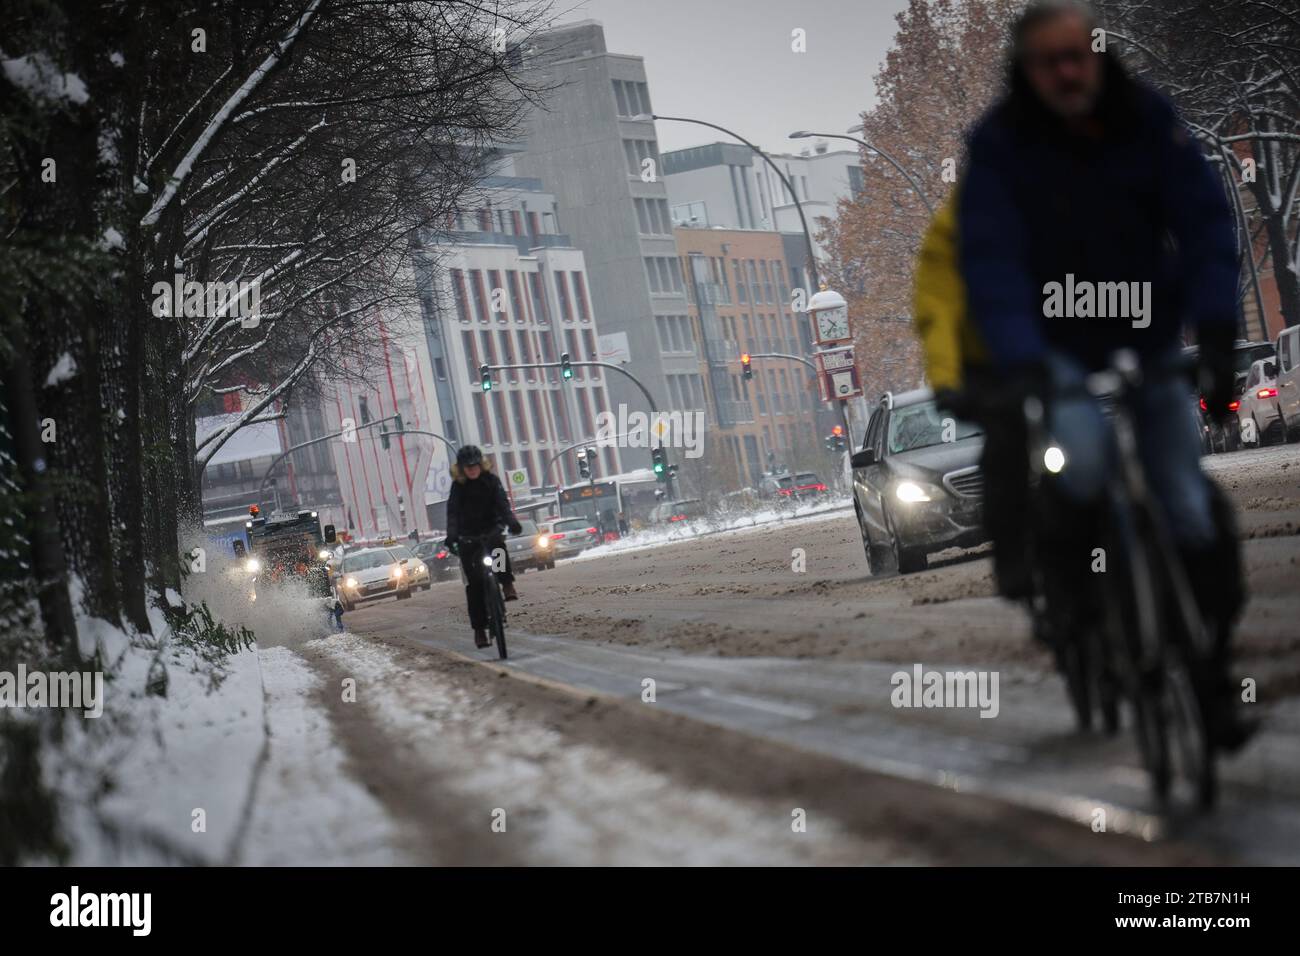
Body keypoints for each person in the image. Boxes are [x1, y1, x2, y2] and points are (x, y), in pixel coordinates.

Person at [957, 0, 1251, 748]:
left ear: (1095, 56)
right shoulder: (999, 148)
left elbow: (1206, 224)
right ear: (1027, 72)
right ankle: (1085, 607)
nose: (1066, 72)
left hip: (1149, 341)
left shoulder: (1147, 120)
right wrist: (1019, 362)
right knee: (1079, 466)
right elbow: (991, 265)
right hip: (1056, 350)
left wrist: (1216, 328)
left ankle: (1211, 669)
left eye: (1076, 55)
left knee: (1186, 496)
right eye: (1048, 61)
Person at [443, 445, 523, 649]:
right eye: (467, 467)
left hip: (490, 530)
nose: (472, 469)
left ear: (481, 465)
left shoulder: (491, 481)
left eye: (475, 465)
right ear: (462, 468)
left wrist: (511, 522)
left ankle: (507, 584)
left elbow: (502, 505)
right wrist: (452, 535)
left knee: (498, 549)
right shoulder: (458, 487)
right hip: (468, 537)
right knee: (475, 586)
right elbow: (452, 513)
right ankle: (480, 630)